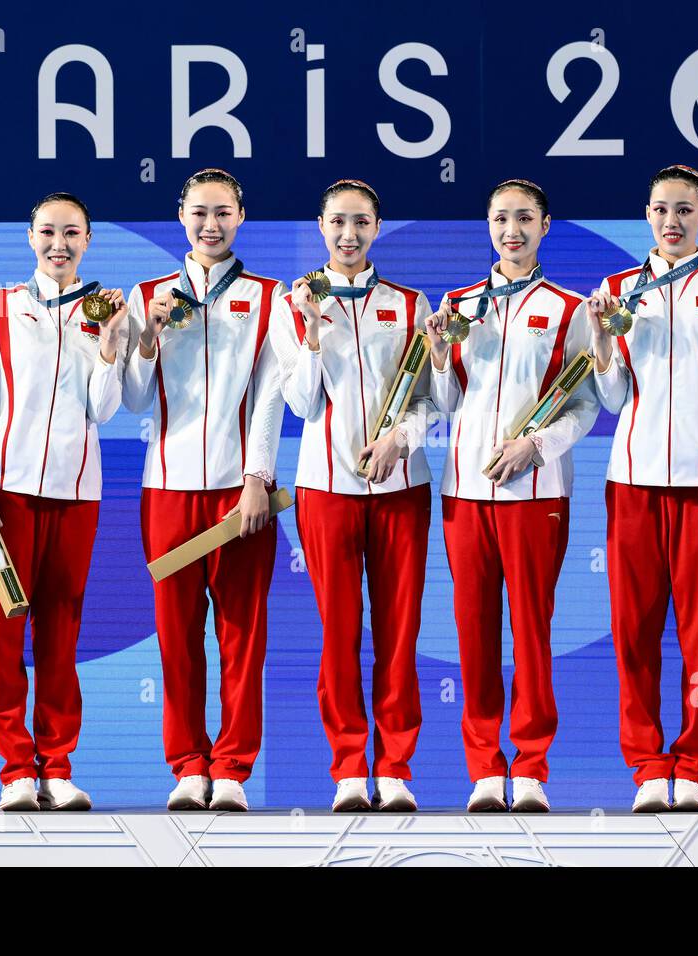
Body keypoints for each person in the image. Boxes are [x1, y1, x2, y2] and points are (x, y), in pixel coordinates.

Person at [585, 165, 698, 813]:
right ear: (647, 214)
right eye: (661, 209)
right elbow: (608, 395)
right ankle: (648, 767)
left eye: (685, 209)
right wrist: (601, 336)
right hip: (631, 484)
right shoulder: (617, 290)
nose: (672, 221)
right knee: (632, 630)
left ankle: (694, 766)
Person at [424, 179, 597, 813]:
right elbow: (443, 402)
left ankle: (529, 766)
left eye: (525, 218)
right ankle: (483, 770)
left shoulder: (569, 307)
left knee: (532, 632)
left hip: (538, 491)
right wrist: (440, 355)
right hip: (466, 492)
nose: (512, 230)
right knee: (474, 633)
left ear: (545, 226)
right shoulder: (458, 304)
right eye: (501, 219)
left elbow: (587, 405)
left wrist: (539, 447)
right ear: (488, 226)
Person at [0, 192, 128, 811]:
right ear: (30, 238)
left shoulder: (106, 308)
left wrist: (111, 343)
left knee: (62, 633)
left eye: (73, 233)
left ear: (89, 241)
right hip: (5, 496)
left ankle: (56, 766)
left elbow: (105, 408)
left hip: (76, 492)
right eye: (48, 232)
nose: (60, 244)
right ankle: (14, 771)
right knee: (5, 633)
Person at [123, 169, 284, 812]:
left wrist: (258, 479)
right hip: (166, 489)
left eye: (222, 212)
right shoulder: (148, 295)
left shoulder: (269, 298)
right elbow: (133, 397)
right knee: (176, 634)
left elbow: (271, 396)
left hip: (239, 492)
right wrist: (147, 337)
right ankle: (188, 764)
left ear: (241, 216)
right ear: (180, 216)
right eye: (198, 213)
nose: (210, 224)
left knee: (244, 634)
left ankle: (235, 769)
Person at [270, 179, 433, 813]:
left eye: (361, 222)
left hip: (401, 488)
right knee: (339, 632)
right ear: (320, 227)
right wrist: (312, 330)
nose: (349, 234)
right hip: (325, 490)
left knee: (399, 631)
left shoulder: (411, 304)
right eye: (338, 222)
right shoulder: (294, 305)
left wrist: (402, 436)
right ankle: (347, 769)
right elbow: (302, 401)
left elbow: (431, 399)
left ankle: (394, 768)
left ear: (377, 226)